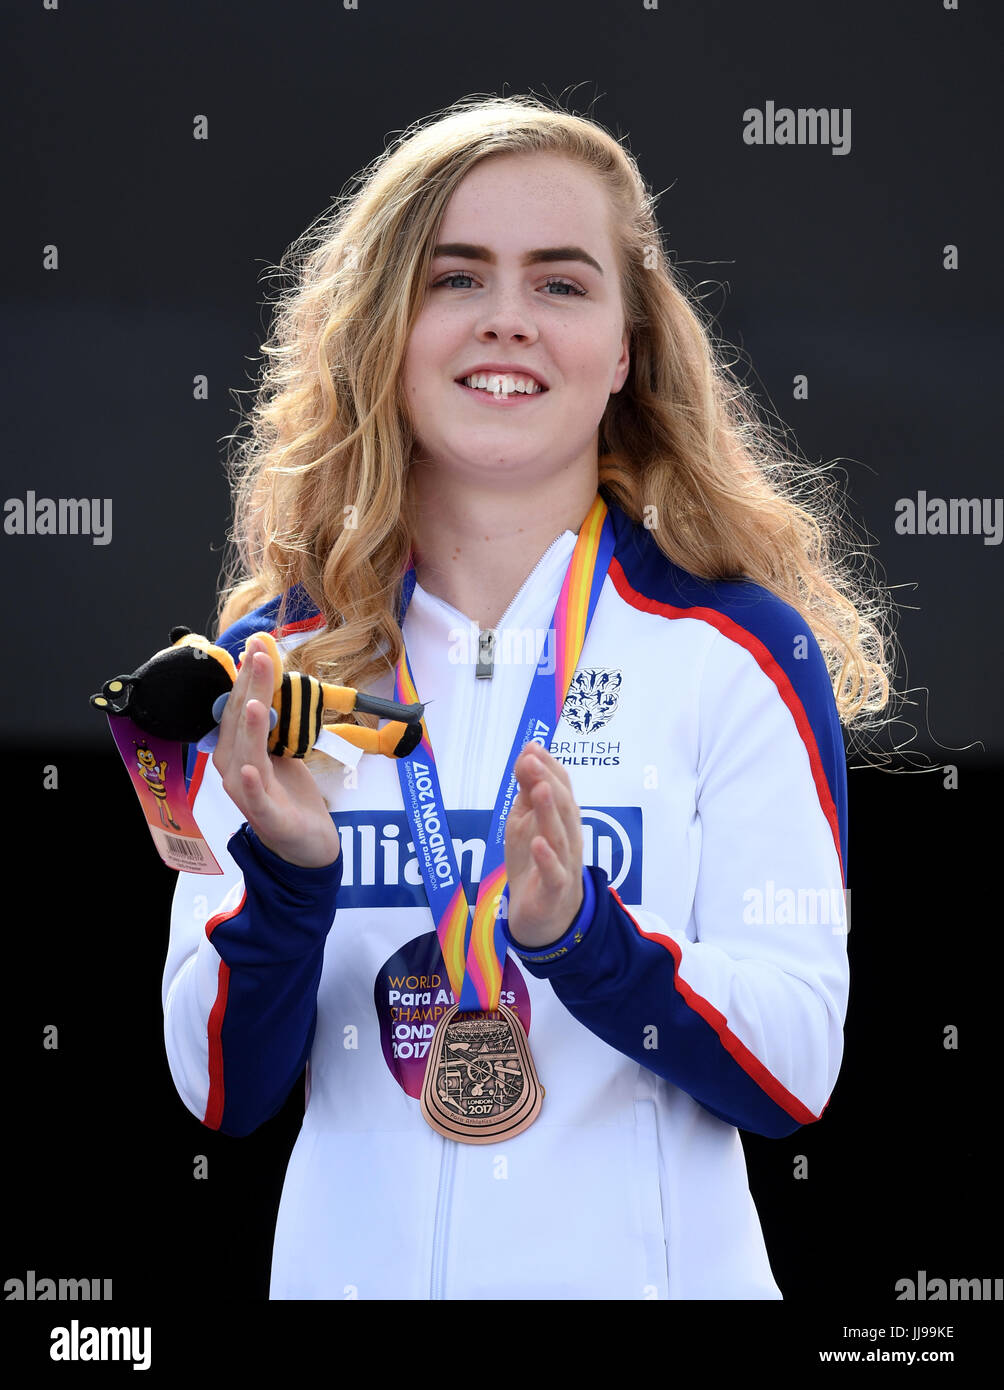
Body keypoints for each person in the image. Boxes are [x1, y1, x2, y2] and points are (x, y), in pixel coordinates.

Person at [162, 94, 894, 1299]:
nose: (507, 320)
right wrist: (292, 877)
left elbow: (793, 1070)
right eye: (455, 279)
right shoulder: (274, 668)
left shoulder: (735, 651)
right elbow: (221, 1090)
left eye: (561, 284)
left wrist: (580, 940)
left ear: (625, 349)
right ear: (385, 331)